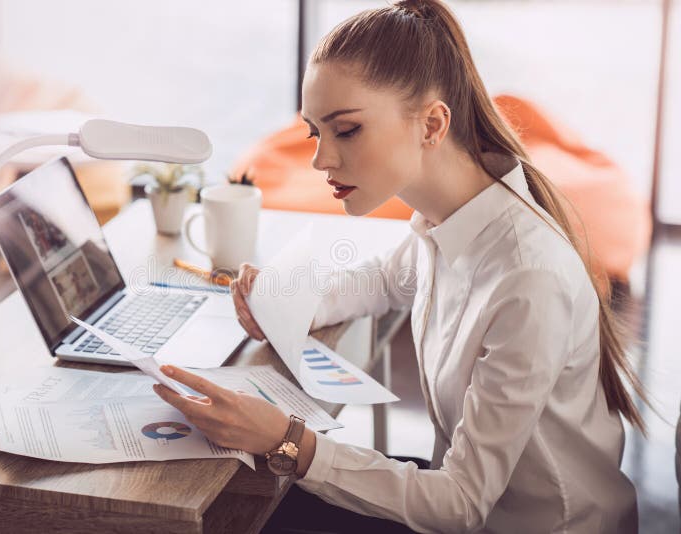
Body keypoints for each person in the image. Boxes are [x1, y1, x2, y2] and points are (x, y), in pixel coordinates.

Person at [152, 1, 646, 531]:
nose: (320, 160)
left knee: (255, 504)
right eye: (316, 132)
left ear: (432, 124)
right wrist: (284, 302)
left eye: (347, 130)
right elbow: (386, 278)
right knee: (256, 500)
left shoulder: (528, 279)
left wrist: (285, 439)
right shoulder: (450, 214)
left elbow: (459, 504)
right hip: (472, 499)